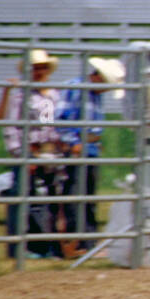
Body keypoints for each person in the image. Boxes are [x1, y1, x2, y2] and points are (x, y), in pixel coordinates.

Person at [56, 56, 126, 255]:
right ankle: (76, 243)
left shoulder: (94, 94)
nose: (107, 91)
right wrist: (74, 142)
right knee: (75, 196)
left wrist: (95, 141)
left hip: (89, 149)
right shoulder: (75, 88)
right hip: (77, 150)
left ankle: (87, 243)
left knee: (87, 197)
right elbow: (59, 119)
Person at [0, 49, 64, 258]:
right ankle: (16, 248)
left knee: (45, 200)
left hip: (47, 154)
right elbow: (11, 126)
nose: (39, 72)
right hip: (27, 153)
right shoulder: (21, 95)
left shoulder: (50, 96)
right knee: (21, 199)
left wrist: (54, 147)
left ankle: (41, 246)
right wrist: (22, 154)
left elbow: (47, 125)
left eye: (42, 67)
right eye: (35, 68)